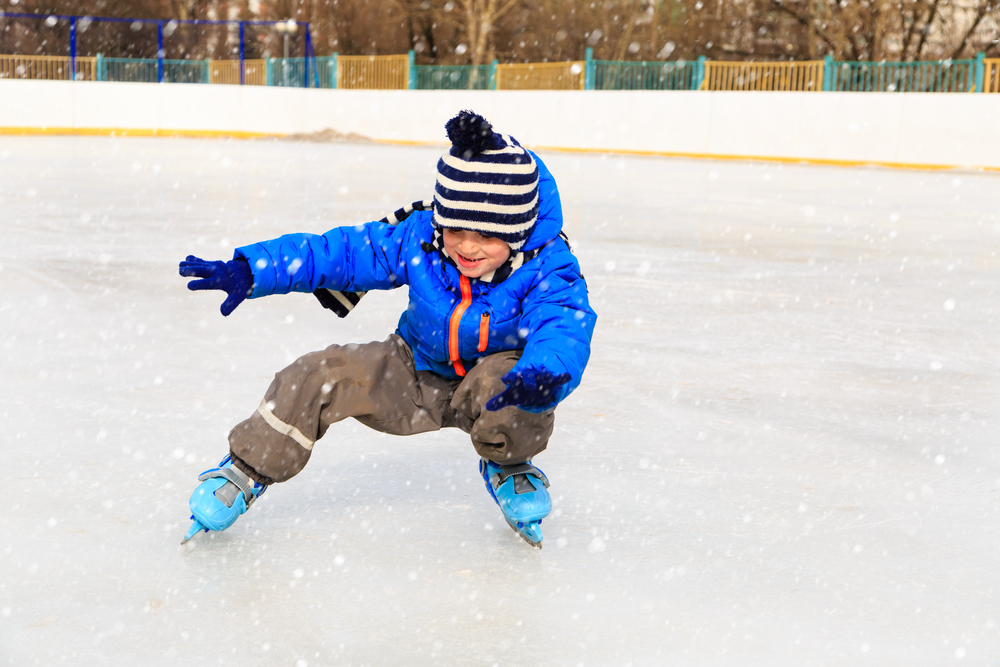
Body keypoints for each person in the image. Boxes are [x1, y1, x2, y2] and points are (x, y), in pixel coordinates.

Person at [177, 110, 597, 548]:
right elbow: (342, 252)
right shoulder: (421, 237)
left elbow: (563, 327)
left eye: (487, 235)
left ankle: (509, 462)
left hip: (491, 379)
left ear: (516, 230)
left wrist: (544, 374)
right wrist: (255, 269)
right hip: (413, 367)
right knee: (317, 373)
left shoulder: (548, 266)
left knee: (515, 387)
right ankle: (247, 468)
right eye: (456, 228)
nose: (468, 247)